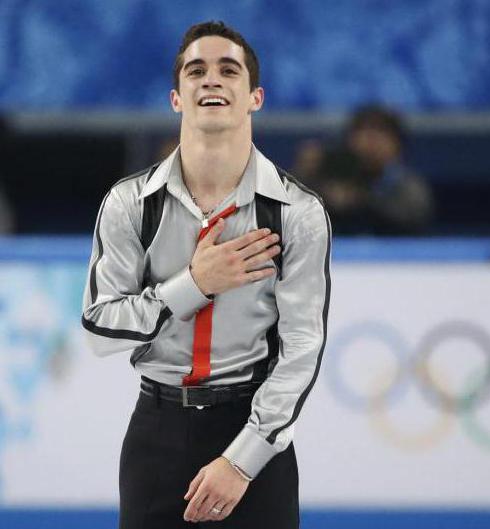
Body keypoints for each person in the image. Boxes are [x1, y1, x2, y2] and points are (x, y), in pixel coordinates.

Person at [81, 21, 331, 529]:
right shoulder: (130, 204)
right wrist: (193, 285)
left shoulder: (296, 212)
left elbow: (302, 346)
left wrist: (242, 460)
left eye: (227, 70)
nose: (210, 80)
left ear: (254, 96)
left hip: (253, 431)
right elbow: (100, 328)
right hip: (156, 433)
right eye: (196, 70)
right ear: (177, 98)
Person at [293, 105, 434, 235]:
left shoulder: (406, 184)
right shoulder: (330, 175)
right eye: (363, 132)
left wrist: (360, 200)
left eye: (381, 133)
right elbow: (290, 217)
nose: (371, 142)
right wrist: (305, 177)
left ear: (398, 145)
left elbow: (413, 221)